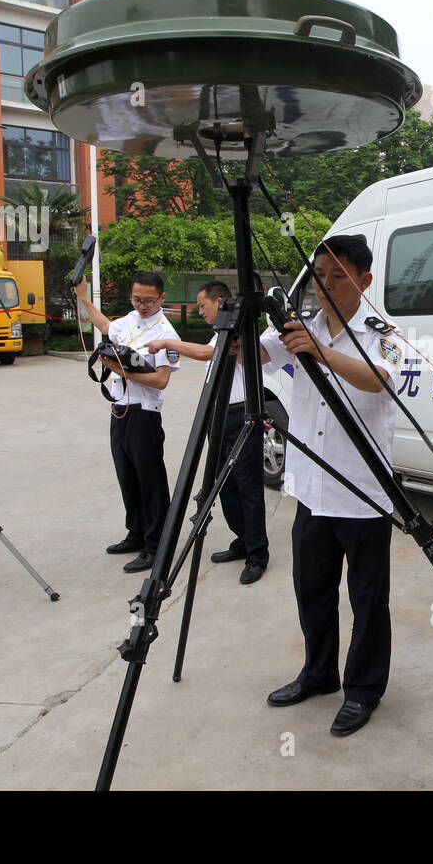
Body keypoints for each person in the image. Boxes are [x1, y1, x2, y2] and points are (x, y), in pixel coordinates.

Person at [258, 234, 402, 738]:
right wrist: (236, 332)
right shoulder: (300, 329)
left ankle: (362, 690)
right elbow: (250, 358)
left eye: (338, 275)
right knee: (312, 592)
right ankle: (318, 674)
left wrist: (318, 351)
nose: (325, 284)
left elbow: (379, 380)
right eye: (319, 273)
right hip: (311, 491)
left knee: (367, 600)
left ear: (363, 281)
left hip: (362, 494)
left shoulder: (382, 331)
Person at [144, 281, 270, 585]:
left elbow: (204, 354)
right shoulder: (221, 333)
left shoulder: (238, 332)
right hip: (219, 416)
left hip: (241, 415)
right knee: (225, 485)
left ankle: (257, 554)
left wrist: (167, 343)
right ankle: (241, 540)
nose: (200, 311)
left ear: (220, 301)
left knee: (247, 486)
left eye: (203, 305)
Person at [74, 271, 180, 573]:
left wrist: (121, 371)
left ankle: (156, 544)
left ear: (161, 298)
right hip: (119, 409)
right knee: (126, 474)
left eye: (149, 300)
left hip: (144, 414)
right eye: (137, 299)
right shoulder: (127, 322)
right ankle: (136, 532)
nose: (143, 305)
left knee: (150, 479)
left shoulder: (168, 335)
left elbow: (161, 381)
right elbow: (106, 326)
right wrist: (83, 297)